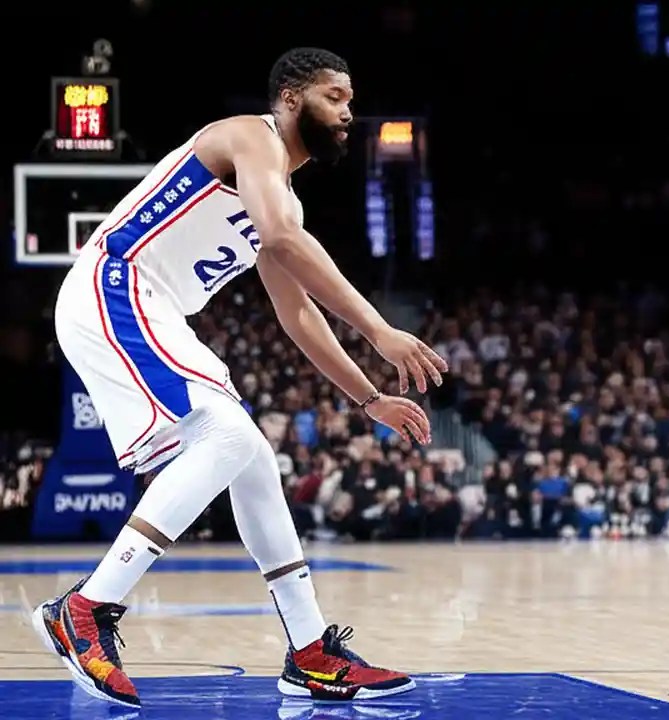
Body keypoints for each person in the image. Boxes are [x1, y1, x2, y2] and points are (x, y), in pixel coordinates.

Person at [31, 48, 446, 707]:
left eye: (350, 100)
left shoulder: (283, 199)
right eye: (335, 97)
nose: (349, 112)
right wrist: (379, 330)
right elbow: (280, 240)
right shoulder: (249, 136)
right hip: (116, 285)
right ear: (291, 97)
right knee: (224, 436)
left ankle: (310, 650)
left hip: (150, 306)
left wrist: (369, 398)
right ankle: (86, 609)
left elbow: (297, 313)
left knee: (248, 452)